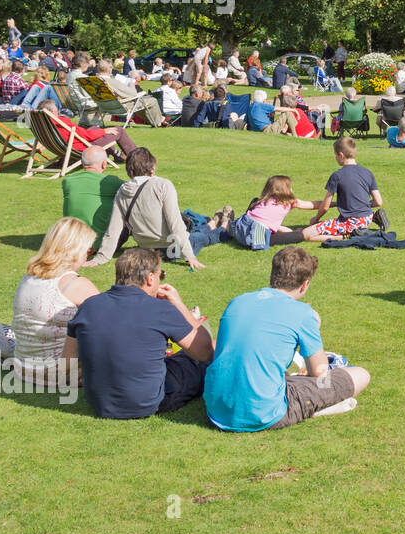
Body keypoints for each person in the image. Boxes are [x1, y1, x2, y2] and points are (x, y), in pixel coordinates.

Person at [205, 247, 370, 431]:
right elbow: (319, 372)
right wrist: (314, 327)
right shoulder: (303, 313)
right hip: (263, 413)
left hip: (216, 408)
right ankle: (316, 406)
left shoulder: (238, 301)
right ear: (305, 284)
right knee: (361, 375)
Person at [68, 248, 214, 419]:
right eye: (161, 275)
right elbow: (205, 352)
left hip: (99, 403)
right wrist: (179, 305)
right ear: (150, 278)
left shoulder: (88, 306)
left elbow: (67, 359)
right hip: (149, 401)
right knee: (212, 350)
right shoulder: (161, 310)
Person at [86, 147, 228, 269]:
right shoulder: (162, 185)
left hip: (146, 250)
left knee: (194, 233)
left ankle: (212, 223)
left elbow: (114, 229)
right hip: (171, 247)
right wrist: (189, 256)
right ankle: (225, 227)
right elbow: (175, 224)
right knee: (202, 238)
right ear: (152, 169)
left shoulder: (122, 191)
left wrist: (101, 257)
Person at [10, 218, 101, 387]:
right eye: (88, 250)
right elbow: (113, 323)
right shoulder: (76, 284)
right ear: (74, 250)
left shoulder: (29, 277)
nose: (88, 255)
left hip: (23, 368)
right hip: (60, 373)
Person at [304, 137, 383, 240]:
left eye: (335, 155)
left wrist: (315, 219)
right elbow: (378, 202)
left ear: (341, 155)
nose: (335, 158)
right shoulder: (368, 172)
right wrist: (359, 205)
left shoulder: (337, 176)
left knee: (307, 234)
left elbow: (325, 207)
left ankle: (347, 236)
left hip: (350, 223)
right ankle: (361, 227)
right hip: (367, 219)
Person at [62, 146, 123, 246]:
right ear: (104, 164)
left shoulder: (68, 181)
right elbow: (135, 190)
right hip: (99, 243)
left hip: (71, 242)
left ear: (82, 163)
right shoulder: (111, 181)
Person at [41, 100, 139, 160]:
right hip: (83, 146)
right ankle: (136, 158)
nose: (58, 111)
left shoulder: (44, 124)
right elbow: (86, 135)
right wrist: (104, 131)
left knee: (94, 128)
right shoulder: (60, 122)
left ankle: (116, 155)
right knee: (119, 130)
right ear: (52, 112)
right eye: (56, 110)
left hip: (70, 146)